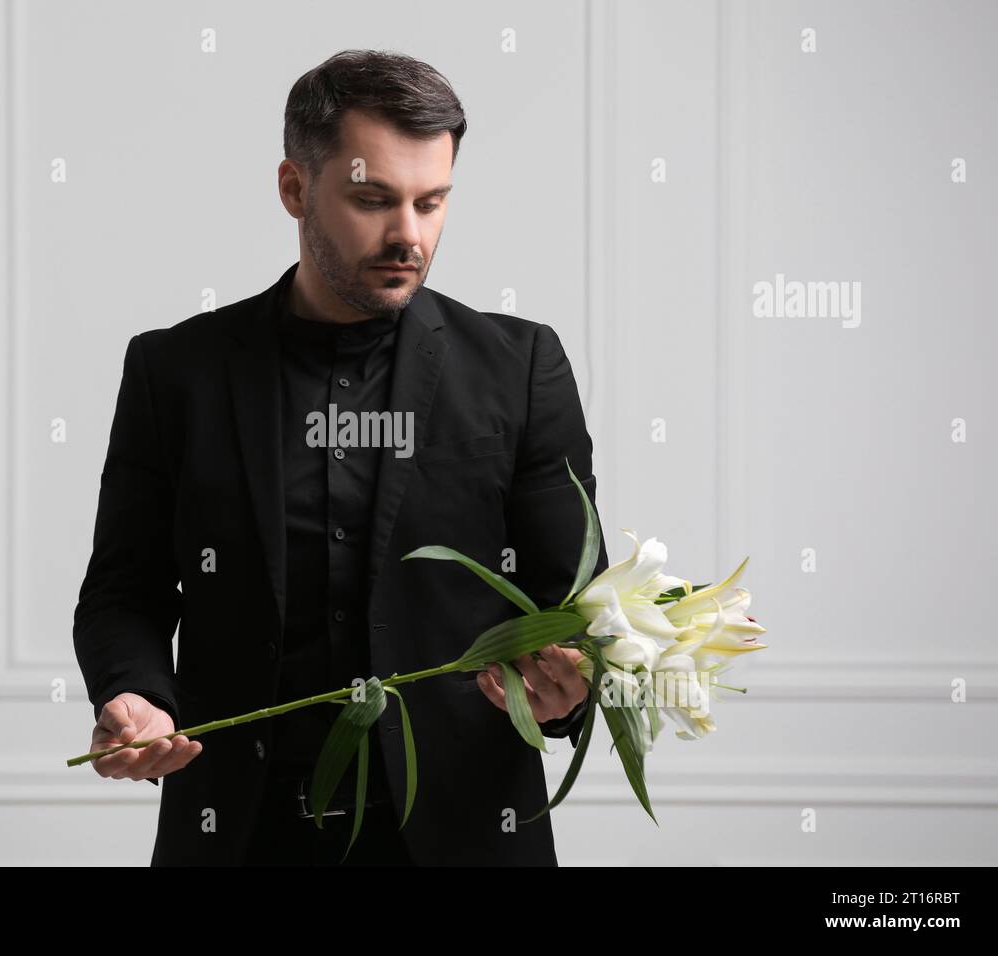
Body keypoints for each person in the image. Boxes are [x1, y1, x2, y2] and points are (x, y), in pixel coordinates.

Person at [73, 49, 609, 866]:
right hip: (240, 834)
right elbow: (124, 589)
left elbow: (571, 601)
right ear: (294, 189)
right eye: (372, 200)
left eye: (432, 203)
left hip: (464, 834)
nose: (410, 236)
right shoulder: (173, 371)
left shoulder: (522, 365)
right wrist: (134, 697)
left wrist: (567, 692)